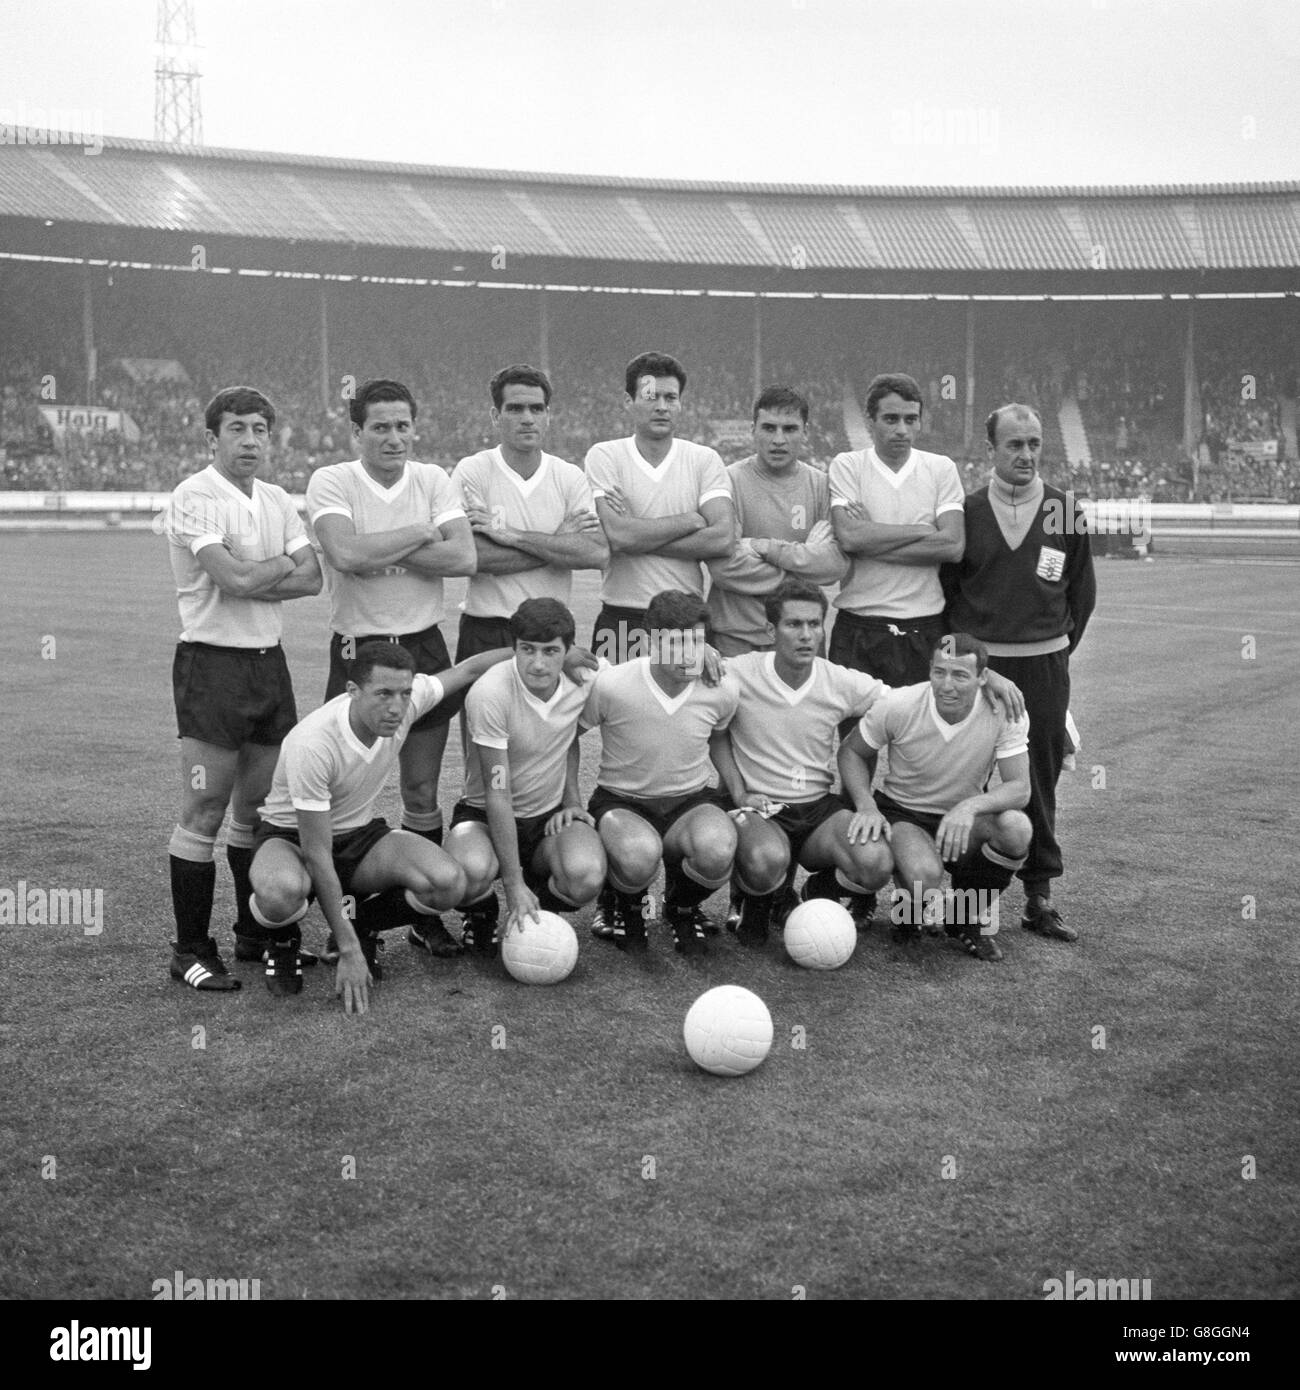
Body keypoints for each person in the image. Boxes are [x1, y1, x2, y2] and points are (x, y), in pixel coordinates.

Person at [248, 641, 526, 1013]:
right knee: (281, 892)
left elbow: (468, 670)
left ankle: (360, 924)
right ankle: (282, 942)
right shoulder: (313, 743)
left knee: (448, 883)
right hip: (293, 839)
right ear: (353, 692)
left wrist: (531, 653)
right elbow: (317, 853)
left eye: (404, 693)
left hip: (359, 835)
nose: (396, 706)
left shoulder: (406, 707)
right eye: (383, 694)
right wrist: (348, 953)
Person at [305, 379, 475, 957]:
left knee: (421, 789)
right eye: (380, 426)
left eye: (403, 425)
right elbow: (345, 555)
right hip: (359, 651)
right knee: (347, 795)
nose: (394, 436)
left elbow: (463, 556)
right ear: (357, 432)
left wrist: (380, 547)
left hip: (423, 646)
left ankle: (422, 917)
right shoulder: (333, 480)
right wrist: (420, 532)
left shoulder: (432, 478)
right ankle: (345, 920)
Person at [162, 385, 323, 992]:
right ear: (213, 438)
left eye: (260, 428)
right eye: (237, 428)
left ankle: (251, 934)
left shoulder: (279, 498)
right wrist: (274, 566)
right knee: (204, 810)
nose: (251, 439)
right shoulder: (195, 495)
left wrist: (262, 572)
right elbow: (227, 577)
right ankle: (189, 949)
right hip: (211, 668)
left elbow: (313, 580)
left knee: (254, 813)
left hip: (267, 666)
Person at [941, 403, 1097, 942]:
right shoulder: (968, 510)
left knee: (1039, 780)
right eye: (1015, 444)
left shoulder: (1064, 510)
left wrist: (1051, 653)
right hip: (978, 670)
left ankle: (1039, 898)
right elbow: (948, 595)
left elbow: (1082, 594)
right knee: (963, 776)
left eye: (1034, 444)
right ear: (993, 449)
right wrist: (976, 664)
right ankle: (963, 898)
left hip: (1044, 667)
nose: (1027, 454)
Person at [838, 633, 1032, 962]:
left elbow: (1020, 788)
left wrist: (969, 806)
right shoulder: (899, 704)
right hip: (906, 813)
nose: (947, 685)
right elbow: (850, 753)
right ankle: (907, 913)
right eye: (939, 672)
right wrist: (866, 804)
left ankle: (964, 919)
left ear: (983, 678)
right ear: (929, 670)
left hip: (962, 817)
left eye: (960, 675)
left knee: (1016, 828)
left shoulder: (1003, 710)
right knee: (923, 877)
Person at [579, 590, 739, 955]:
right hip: (624, 801)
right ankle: (626, 905)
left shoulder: (721, 686)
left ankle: (681, 907)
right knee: (637, 855)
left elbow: (718, 737)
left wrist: (739, 791)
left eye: (696, 642)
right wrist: (569, 799)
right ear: (651, 640)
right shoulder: (613, 684)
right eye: (676, 642)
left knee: (718, 849)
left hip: (690, 800)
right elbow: (569, 737)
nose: (688, 653)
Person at [444, 598, 606, 952]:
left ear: (568, 650)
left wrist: (701, 655)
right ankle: (483, 912)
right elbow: (496, 791)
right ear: (513, 648)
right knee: (466, 872)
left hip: (547, 818)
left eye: (550, 651)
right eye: (527, 650)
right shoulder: (490, 693)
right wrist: (512, 883)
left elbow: (646, 671)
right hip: (486, 814)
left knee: (587, 875)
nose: (537, 663)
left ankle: (540, 910)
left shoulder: (587, 678)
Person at [585, 351, 735, 663]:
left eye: (671, 397)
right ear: (629, 401)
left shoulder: (703, 459)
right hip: (621, 617)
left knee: (686, 708)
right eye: (651, 396)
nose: (662, 406)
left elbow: (722, 538)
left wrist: (637, 535)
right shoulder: (605, 455)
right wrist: (691, 520)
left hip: (686, 621)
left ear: (681, 404)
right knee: (614, 706)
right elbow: (619, 537)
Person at [452, 363, 608, 659]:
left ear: (548, 416)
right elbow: (472, 556)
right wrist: (558, 542)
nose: (527, 419)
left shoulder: (568, 475)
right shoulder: (473, 471)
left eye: (536, 409)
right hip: (487, 627)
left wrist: (511, 536)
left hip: (553, 629)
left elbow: (596, 553)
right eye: (515, 409)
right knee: (484, 706)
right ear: (495, 416)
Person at [828, 372, 965, 700]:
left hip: (925, 626)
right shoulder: (848, 465)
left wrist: (870, 538)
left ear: (920, 422)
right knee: (855, 740)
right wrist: (920, 531)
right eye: (890, 419)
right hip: (859, 623)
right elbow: (848, 537)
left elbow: (953, 545)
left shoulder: (941, 468)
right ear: (870, 421)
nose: (901, 429)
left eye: (910, 419)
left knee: (918, 745)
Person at [706, 385, 848, 656]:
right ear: (753, 430)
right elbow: (725, 567)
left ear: (805, 432)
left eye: (790, 429)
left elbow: (834, 566)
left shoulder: (821, 485)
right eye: (769, 428)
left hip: (802, 638)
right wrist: (805, 561)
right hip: (735, 639)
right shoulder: (728, 482)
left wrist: (765, 548)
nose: (778, 439)